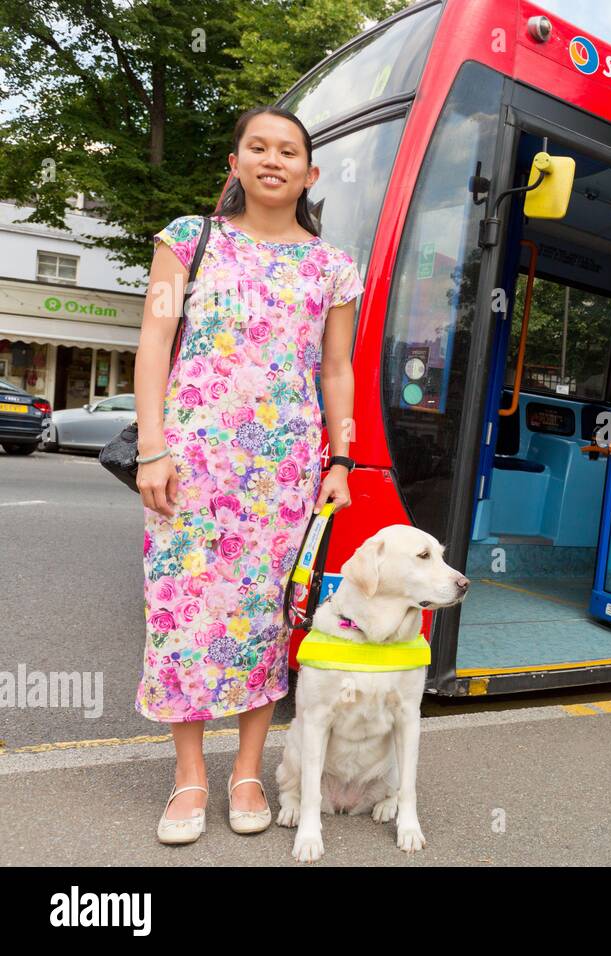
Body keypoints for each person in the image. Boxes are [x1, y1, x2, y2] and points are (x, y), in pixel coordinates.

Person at [133, 106, 362, 844]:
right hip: (190, 467)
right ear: (235, 162)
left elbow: (337, 368)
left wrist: (340, 457)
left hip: (283, 474)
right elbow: (154, 342)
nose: (272, 159)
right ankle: (191, 774)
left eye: (288, 151)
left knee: (264, 620)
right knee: (182, 614)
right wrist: (151, 447)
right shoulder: (186, 240)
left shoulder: (332, 267)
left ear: (309, 172)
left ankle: (248, 770)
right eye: (257, 147)